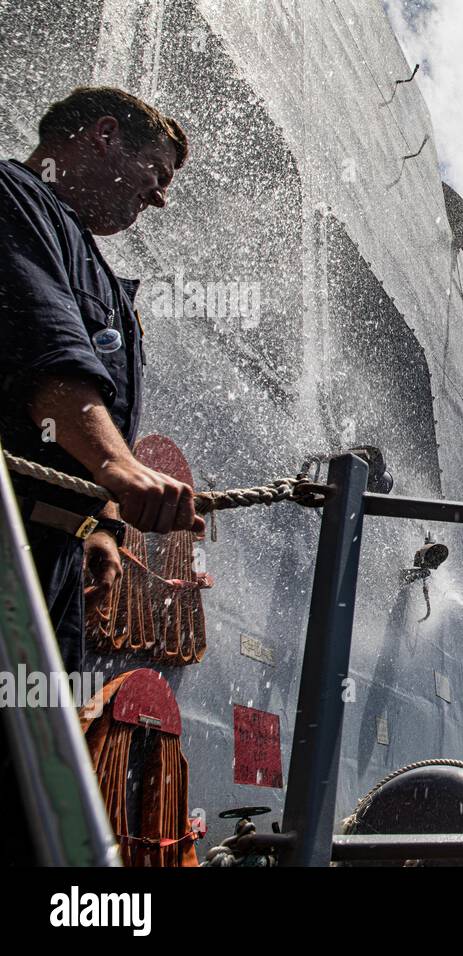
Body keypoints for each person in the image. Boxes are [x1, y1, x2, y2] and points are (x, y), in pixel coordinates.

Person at [0, 87, 203, 862]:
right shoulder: (14, 197)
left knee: (39, 773)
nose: (158, 198)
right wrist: (118, 468)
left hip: (48, 555)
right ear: (102, 138)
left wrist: (97, 526)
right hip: (10, 542)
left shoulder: (86, 254)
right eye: (156, 173)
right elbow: (39, 352)